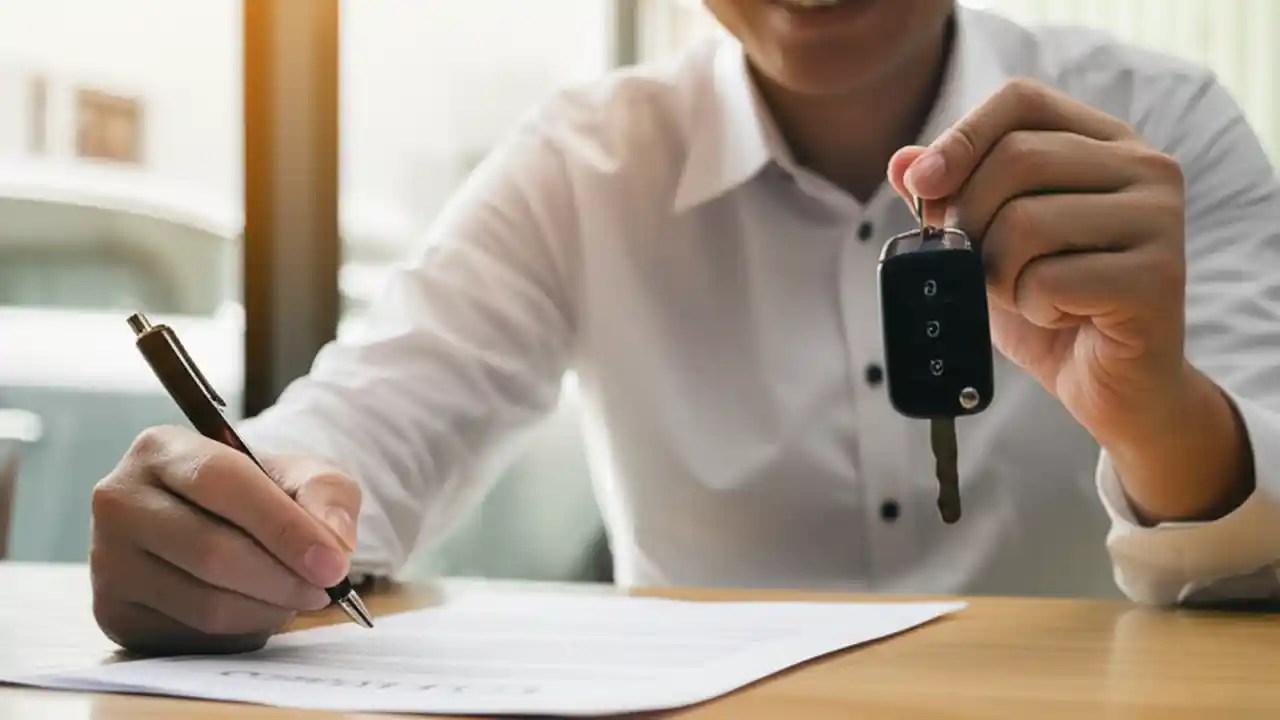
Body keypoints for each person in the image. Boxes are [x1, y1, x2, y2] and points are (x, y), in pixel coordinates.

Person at [90, 0, 1280, 654]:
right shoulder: (582, 159)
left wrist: (1162, 416)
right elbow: (371, 421)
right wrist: (240, 506)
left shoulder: (1158, 127)